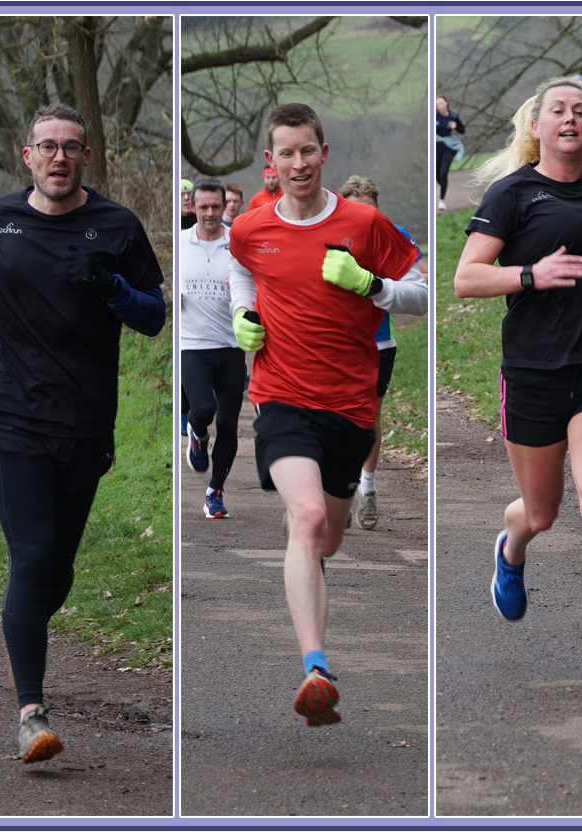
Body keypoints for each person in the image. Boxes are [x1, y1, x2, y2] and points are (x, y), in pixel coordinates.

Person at [0, 104, 164, 763]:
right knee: (32, 556)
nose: (58, 157)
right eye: (47, 146)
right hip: (11, 414)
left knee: (54, 571)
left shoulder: (117, 226)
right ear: (26, 155)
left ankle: (22, 635)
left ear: (86, 157)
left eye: (71, 147)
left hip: (86, 421)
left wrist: (115, 287)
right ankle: (31, 712)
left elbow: (152, 317)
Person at [228, 103, 427, 726]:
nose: (297, 163)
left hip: (350, 404)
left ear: (324, 154)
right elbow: (242, 270)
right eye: (285, 153)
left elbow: (422, 293)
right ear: (271, 162)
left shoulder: (365, 224)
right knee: (306, 517)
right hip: (281, 395)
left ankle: (313, 581)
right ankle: (316, 666)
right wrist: (245, 318)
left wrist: (372, 286)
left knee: (327, 538)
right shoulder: (250, 227)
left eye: (307, 151)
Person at [454, 76, 582, 689]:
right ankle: (511, 549)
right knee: (542, 512)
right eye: (557, 110)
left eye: (581, 111)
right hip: (534, 374)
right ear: (536, 127)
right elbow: (466, 278)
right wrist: (531, 275)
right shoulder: (512, 194)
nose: (570, 118)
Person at [337, 174, 421, 530]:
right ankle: (339, 491)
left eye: (371, 212)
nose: (366, 220)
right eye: (357, 213)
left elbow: (416, 286)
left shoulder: (394, 235)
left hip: (379, 341)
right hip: (335, 340)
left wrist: (374, 284)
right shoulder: (328, 235)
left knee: (368, 417)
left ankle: (367, 489)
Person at [179, 177, 240, 518]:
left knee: (229, 424)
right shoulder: (182, 243)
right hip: (193, 345)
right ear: (193, 207)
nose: (210, 212)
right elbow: (163, 285)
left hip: (231, 345)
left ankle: (214, 492)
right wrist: (175, 294)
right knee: (203, 408)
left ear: (224, 205)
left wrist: (245, 288)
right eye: (203, 206)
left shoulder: (238, 243)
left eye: (216, 206)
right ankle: (197, 432)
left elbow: (258, 282)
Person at [435, 95, 464, 212]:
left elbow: (462, 130)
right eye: (437, 105)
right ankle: (441, 186)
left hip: (449, 148)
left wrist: (456, 127)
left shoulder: (453, 117)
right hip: (436, 147)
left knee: (443, 173)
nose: (439, 106)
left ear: (446, 103)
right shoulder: (434, 117)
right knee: (436, 174)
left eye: (441, 103)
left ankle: (442, 200)